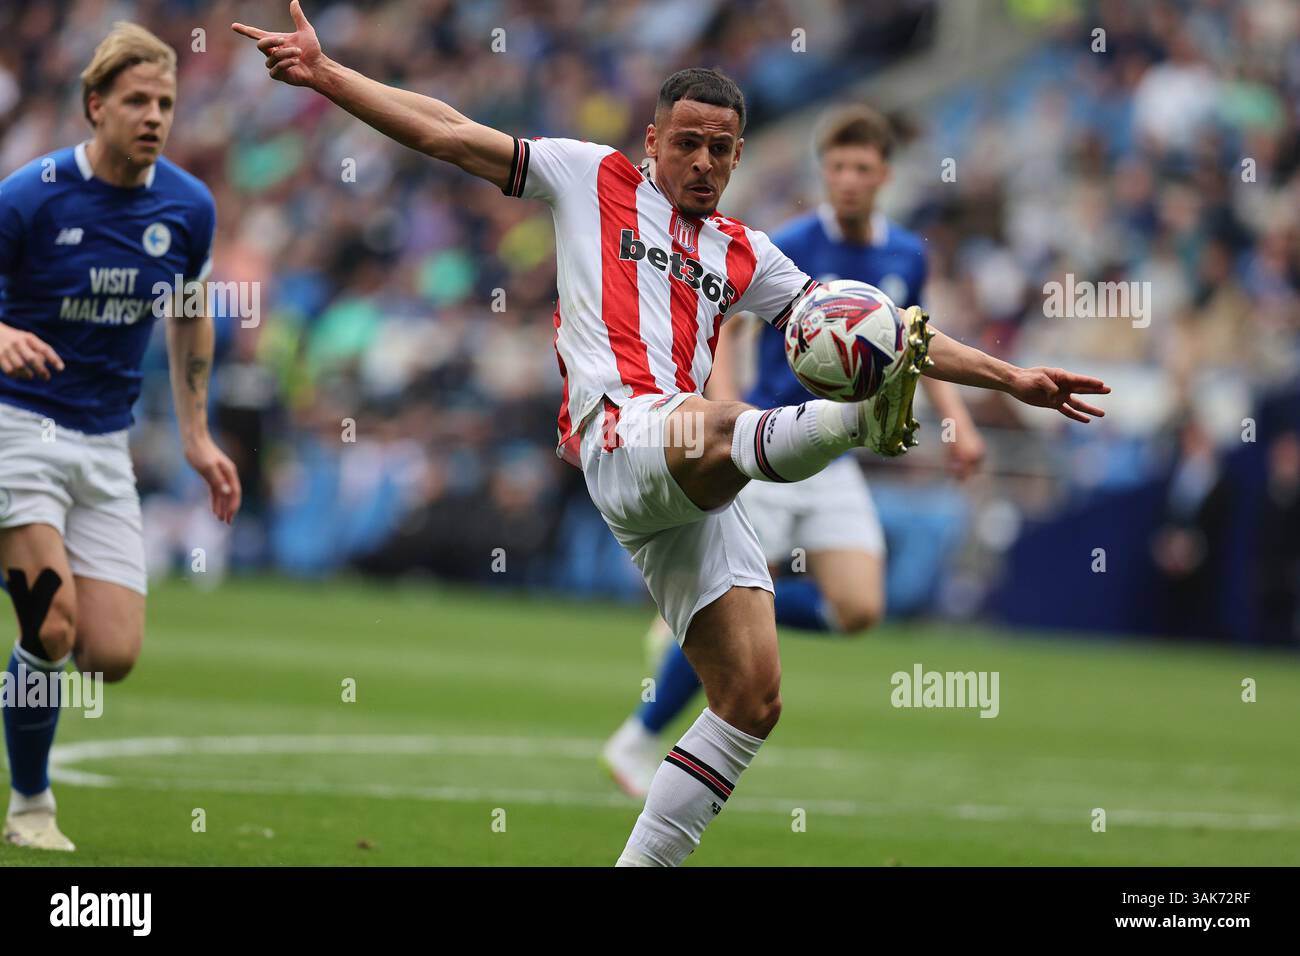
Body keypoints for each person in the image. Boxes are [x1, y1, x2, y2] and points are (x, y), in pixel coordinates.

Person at [233, 2, 1108, 866]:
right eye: (686, 142)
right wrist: (328, 74)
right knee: (725, 420)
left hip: (687, 481)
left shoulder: (745, 251)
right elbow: (450, 133)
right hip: (621, 434)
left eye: (720, 149)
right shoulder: (589, 177)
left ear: (739, 155)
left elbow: (885, 331)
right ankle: (857, 419)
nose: (702, 161)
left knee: (751, 698)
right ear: (652, 141)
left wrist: (1013, 378)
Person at [602, 105, 986, 798]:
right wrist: (726, 411)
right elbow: (727, 325)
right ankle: (637, 735)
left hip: (834, 456)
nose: (848, 180)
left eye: (861, 168)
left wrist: (960, 422)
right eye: (837, 167)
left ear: (885, 175)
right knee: (737, 624)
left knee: (859, 609)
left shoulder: (907, 254)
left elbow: (915, 343)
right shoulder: (794, 242)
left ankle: (707, 618)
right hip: (770, 446)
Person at [0, 23, 241, 850]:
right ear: (95, 105)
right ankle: (31, 805)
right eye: (137, 100)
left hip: (106, 442)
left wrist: (197, 435)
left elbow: (190, 314)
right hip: (16, 426)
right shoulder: (30, 195)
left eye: (166, 103)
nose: (154, 117)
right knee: (51, 627)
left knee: (110, 655)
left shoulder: (188, 207)